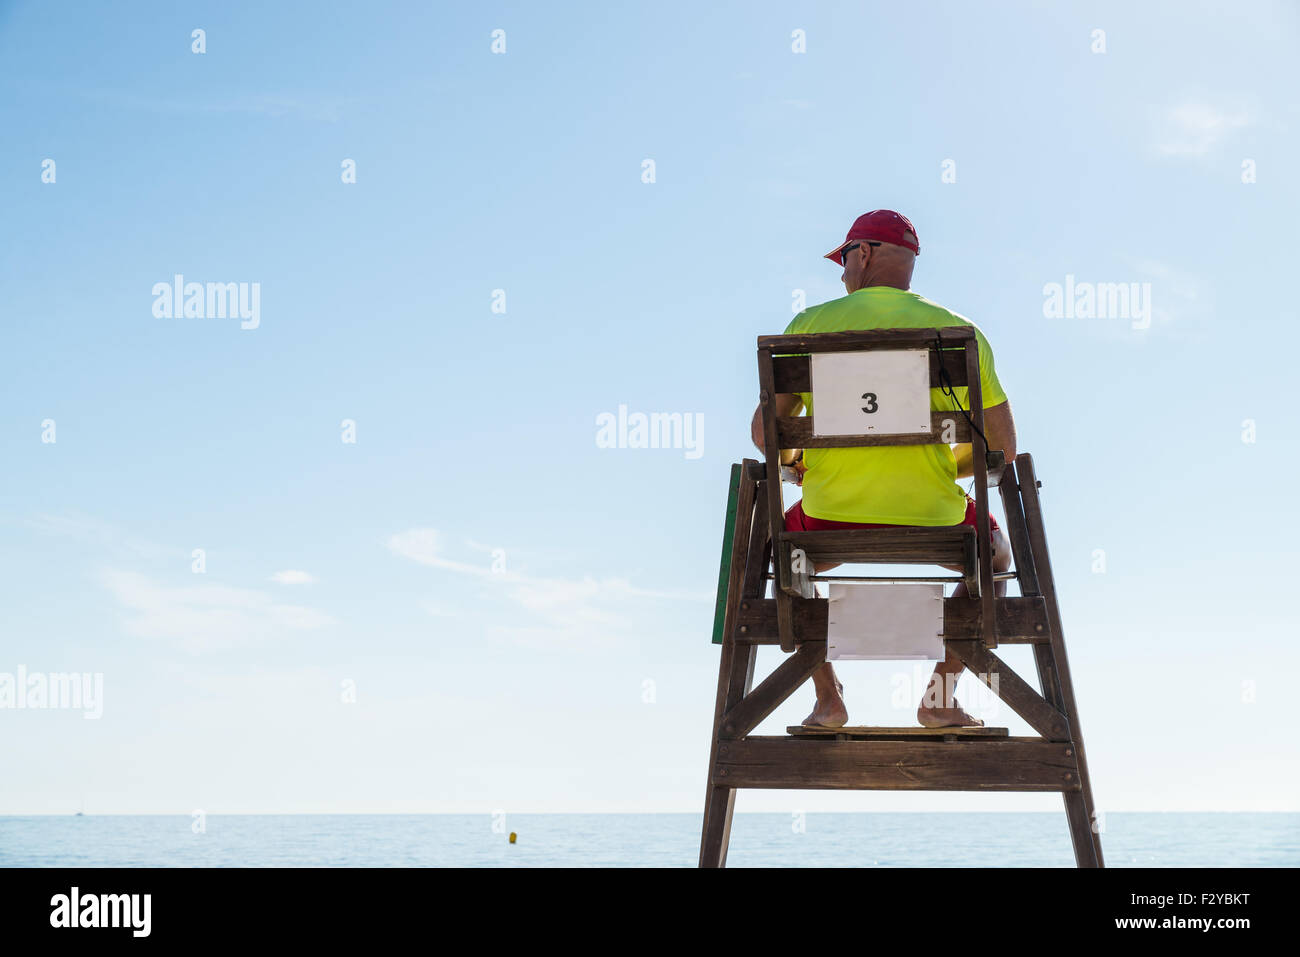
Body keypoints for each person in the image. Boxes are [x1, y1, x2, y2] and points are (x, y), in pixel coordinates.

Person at [749, 210, 1018, 729]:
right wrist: (938, 468)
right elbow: (1001, 448)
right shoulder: (961, 333)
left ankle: (828, 700)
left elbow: (767, 438)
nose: (842, 272)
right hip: (936, 517)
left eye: (844, 259)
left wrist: (801, 462)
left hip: (827, 517)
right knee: (996, 554)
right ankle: (940, 698)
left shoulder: (808, 326)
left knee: (787, 559)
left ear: (864, 254)